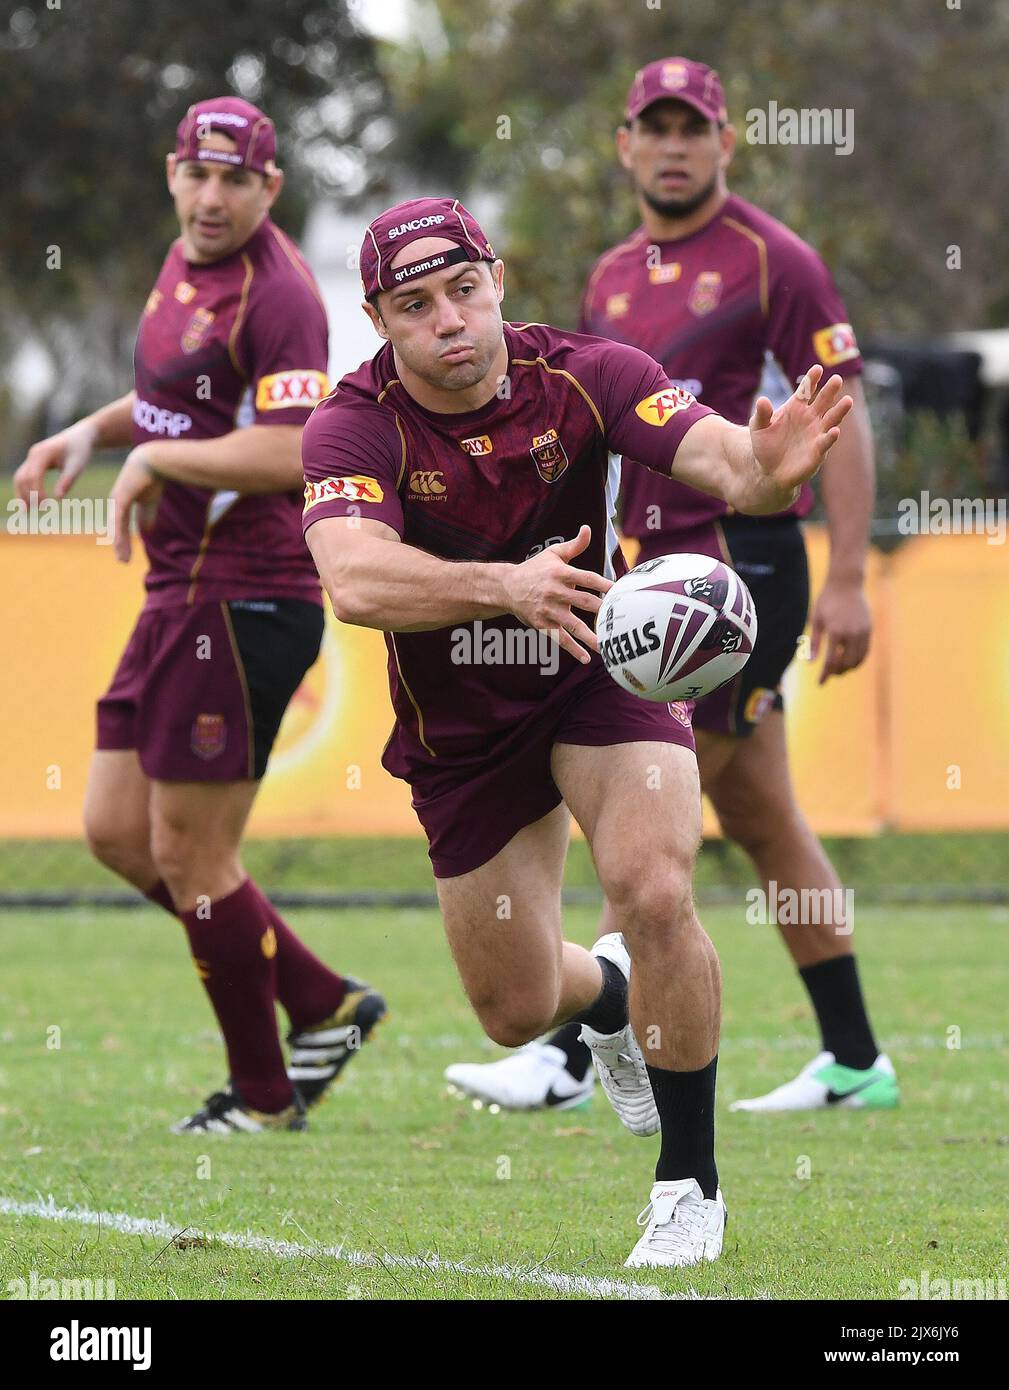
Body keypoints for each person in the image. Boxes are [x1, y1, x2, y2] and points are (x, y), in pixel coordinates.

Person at [301, 195, 852, 1265]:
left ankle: (688, 1185)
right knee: (511, 1011)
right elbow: (354, 579)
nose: (449, 321)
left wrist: (765, 468)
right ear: (378, 321)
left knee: (653, 889)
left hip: (603, 675)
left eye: (464, 290)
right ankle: (606, 1001)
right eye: (416, 306)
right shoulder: (352, 423)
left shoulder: (589, 374)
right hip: (463, 726)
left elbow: (725, 461)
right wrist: (503, 586)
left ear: (497, 281)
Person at [446, 57, 897, 1117]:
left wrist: (847, 576)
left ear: (724, 142)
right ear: (625, 146)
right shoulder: (610, 274)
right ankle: (854, 1059)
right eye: (654, 127)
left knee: (641, 823)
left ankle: (569, 1054)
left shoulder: (775, 260)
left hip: (735, 575)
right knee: (764, 818)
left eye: (692, 127)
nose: (673, 145)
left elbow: (839, 416)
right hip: (644, 576)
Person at [14, 96, 385, 1136]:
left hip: (245, 595)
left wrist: (156, 458)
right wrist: (91, 431)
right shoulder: (182, 265)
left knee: (191, 857)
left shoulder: (280, 293)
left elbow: (294, 445)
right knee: (114, 832)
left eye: (236, 180)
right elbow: (177, 403)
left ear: (270, 189)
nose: (213, 197)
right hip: (178, 592)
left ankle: (263, 1095)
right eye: (198, 174)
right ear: (171, 173)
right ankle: (322, 1000)